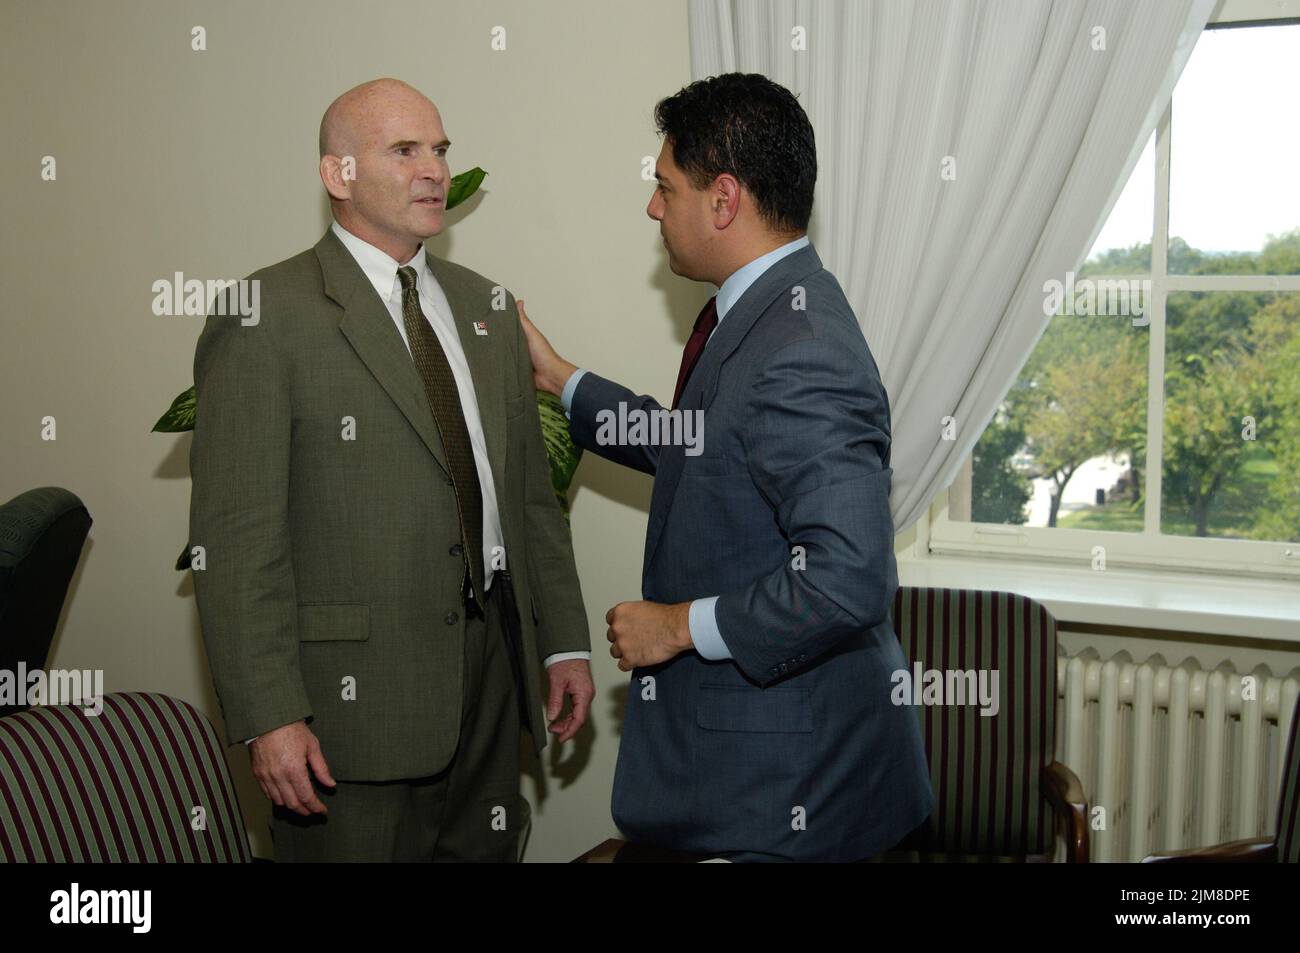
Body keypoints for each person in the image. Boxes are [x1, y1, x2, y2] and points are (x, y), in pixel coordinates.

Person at [520, 72, 934, 862]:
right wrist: (562, 378)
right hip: (770, 779)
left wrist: (674, 626)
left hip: (789, 798)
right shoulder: (770, 311)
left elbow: (848, 579)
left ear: (722, 199)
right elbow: (698, 443)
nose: (652, 208)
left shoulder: (801, 348)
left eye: (664, 187)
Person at [189, 78, 593, 862]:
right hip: (350, 720)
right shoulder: (265, 316)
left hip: (490, 692)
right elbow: (236, 539)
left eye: (440, 150)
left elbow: (529, 497)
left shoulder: (489, 307)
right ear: (337, 175)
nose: (434, 170)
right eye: (404, 150)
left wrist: (562, 642)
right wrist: (271, 715)